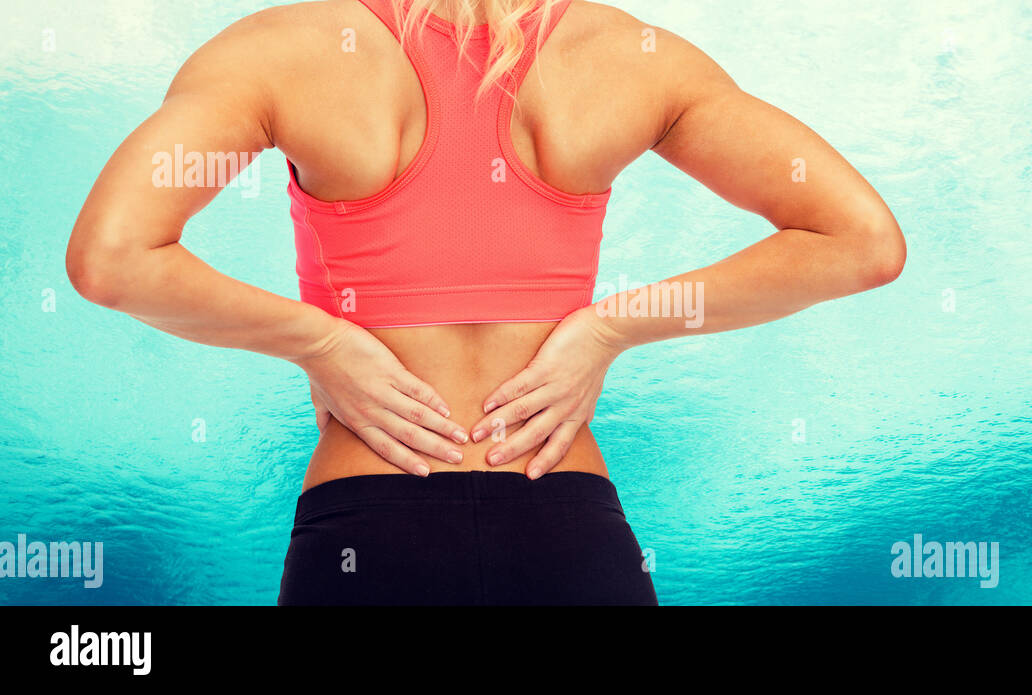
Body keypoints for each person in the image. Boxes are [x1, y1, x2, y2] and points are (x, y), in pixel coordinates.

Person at [66, 0, 905, 605]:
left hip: (368, 526)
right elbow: (861, 241)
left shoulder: (285, 47)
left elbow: (112, 257)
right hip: (568, 524)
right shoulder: (631, 54)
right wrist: (609, 328)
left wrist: (321, 342)